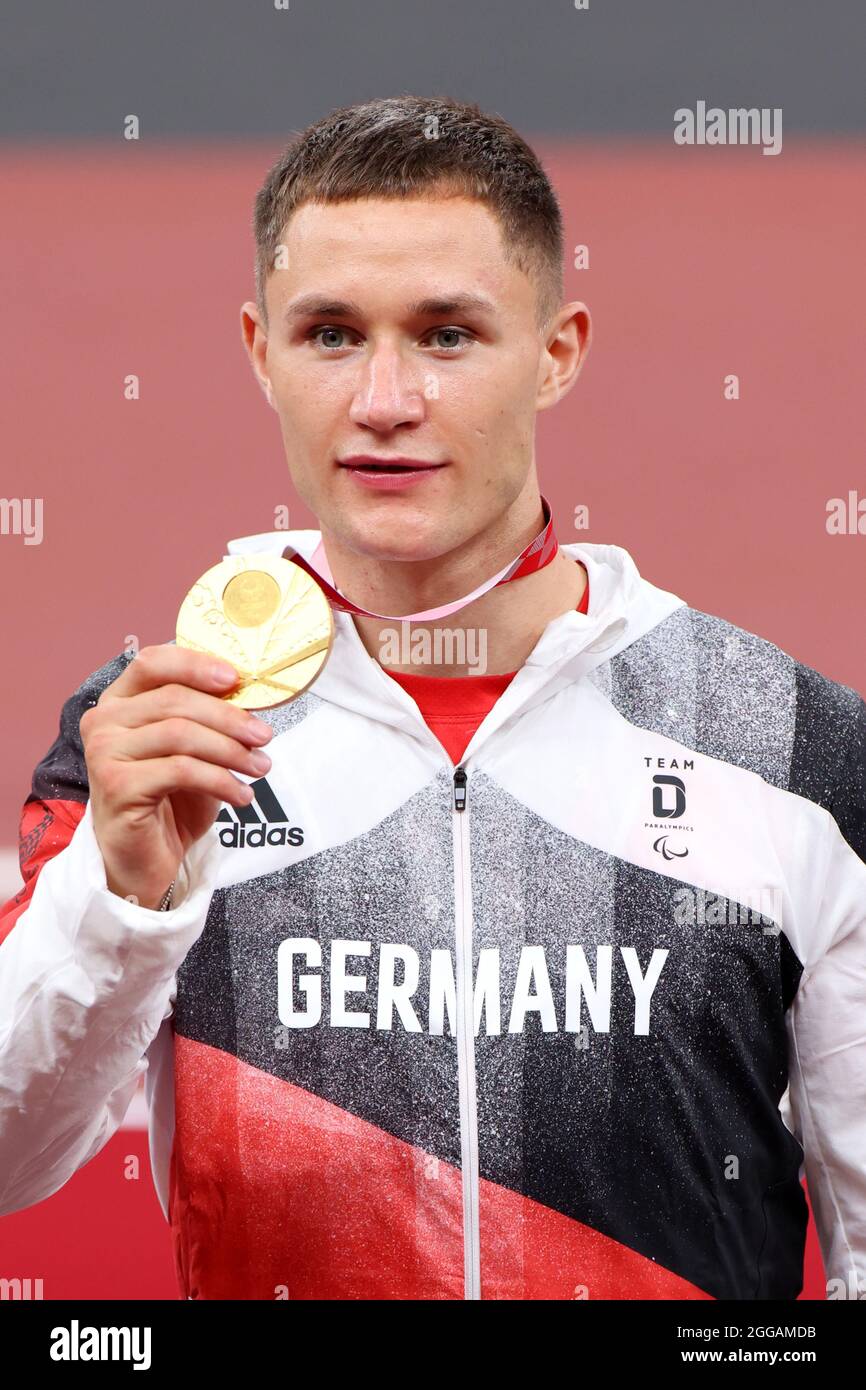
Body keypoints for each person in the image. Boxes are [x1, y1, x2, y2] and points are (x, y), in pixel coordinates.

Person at [1, 95, 864, 1302]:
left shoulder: (789, 744)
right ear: (260, 350)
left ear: (555, 352)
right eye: (331, 335)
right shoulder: (148, 736)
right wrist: (119, 895)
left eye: (448, 335)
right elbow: (10, 1162)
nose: (385, 401)